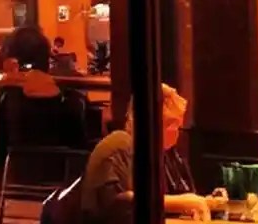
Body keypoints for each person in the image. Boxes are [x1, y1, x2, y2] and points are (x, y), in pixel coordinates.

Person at [79, 84, 220, 223]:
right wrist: (181, 203)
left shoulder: (160, 154)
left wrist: (201, 202)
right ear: (151, 122)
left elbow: (168, 198)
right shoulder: (119, 143)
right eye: (174, 124)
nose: (178, 132)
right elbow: (120, 203)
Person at [0, 26, 89, 179]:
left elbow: (0, 155)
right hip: (61, 186)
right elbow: (81, 154)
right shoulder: (74, 99)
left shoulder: (6, 97)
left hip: (17, 185)